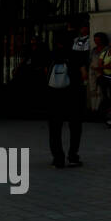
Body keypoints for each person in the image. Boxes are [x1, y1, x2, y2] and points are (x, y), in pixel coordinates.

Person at [45, 39, 86, 167]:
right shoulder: (76, 56)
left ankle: (58, 158)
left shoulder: (51, 57)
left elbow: (46, 74)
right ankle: (73, 156)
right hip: (73, 96)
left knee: (55, 128)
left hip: (54, 97)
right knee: (75, 127)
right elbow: (84, 75)